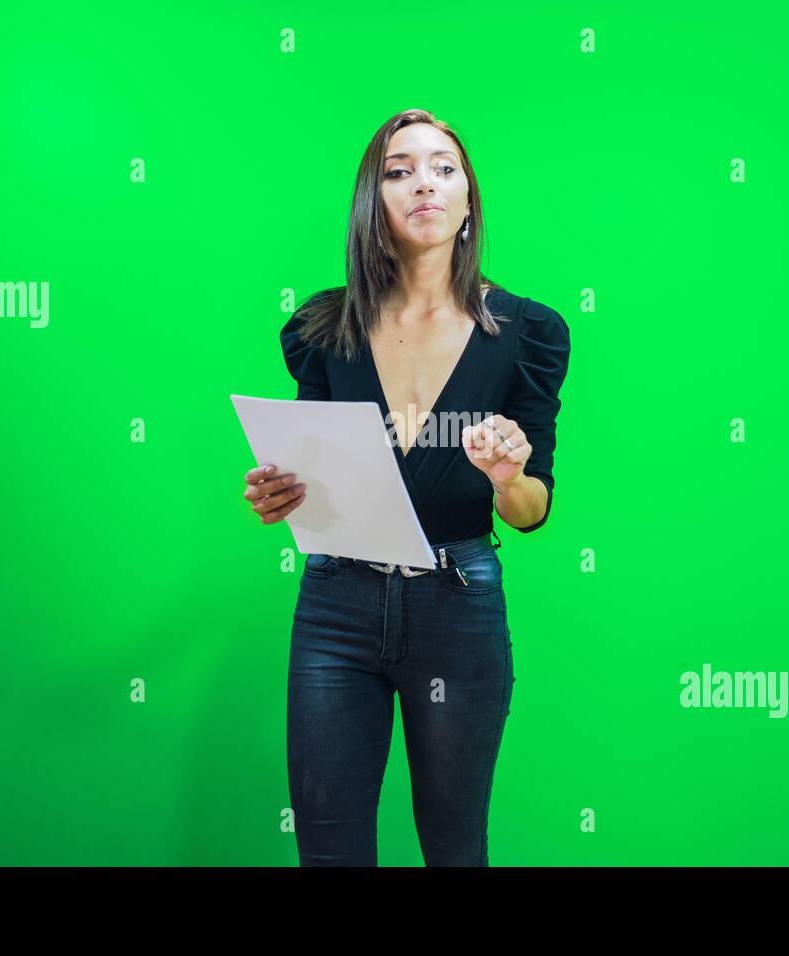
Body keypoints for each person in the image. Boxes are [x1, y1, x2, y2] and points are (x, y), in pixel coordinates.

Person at [241, 108, 570, 866]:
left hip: (458, 605)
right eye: (399, 170)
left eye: (443, 167)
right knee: (330, 851)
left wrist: (508, 476)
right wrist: (272, 494)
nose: (424, 181)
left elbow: (531, 512)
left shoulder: (530, 332)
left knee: (454, 849)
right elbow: (312, 469)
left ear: (466, 201)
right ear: (374, 203)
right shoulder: (322, 328)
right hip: (334, 610)